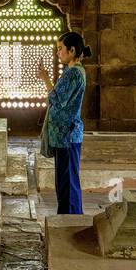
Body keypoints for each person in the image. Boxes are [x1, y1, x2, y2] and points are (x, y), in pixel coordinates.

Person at [35, 31, 92, 215]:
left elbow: (57, 100)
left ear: (72, 50)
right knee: (67, 180)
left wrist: (45, 78)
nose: (58, 53)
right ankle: (69, 218)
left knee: (67, 181)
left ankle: (70, 221)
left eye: (60, 49)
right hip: (66, 135)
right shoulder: (74, 71)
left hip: (67, 135)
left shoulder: (73, 73)